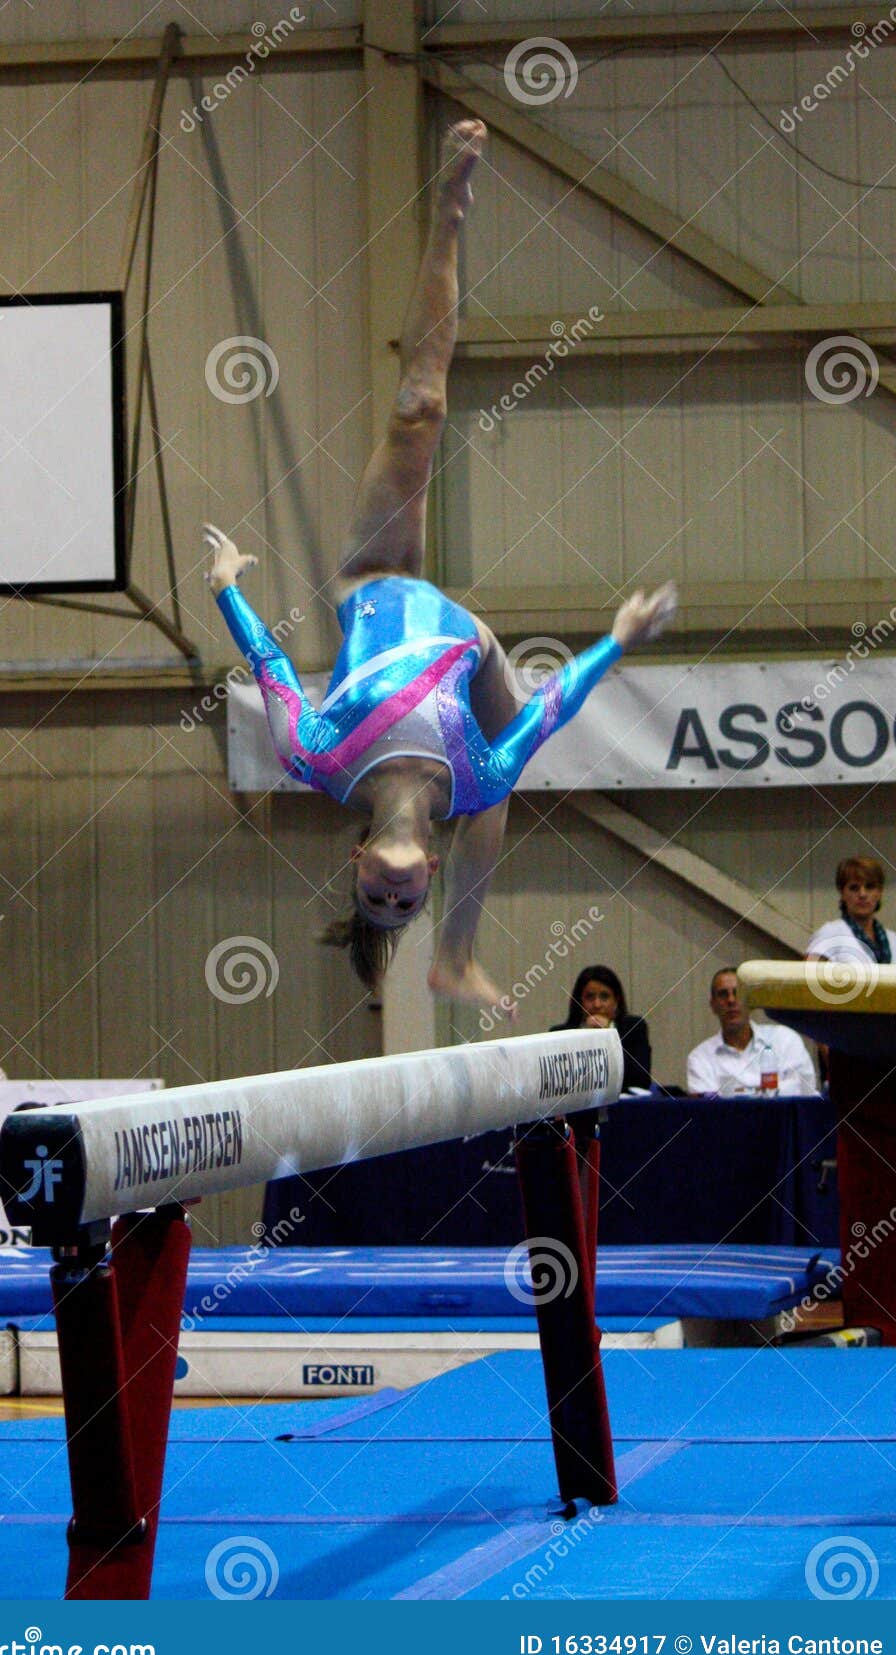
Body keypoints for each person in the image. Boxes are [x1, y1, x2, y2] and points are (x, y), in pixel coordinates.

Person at [206, 120, 675, 1013]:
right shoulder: (475, 778)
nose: (389, 895)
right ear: (427, 869)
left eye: (376, 900)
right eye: (405, 900)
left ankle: (449, 210)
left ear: (356, 863)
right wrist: (615, 639)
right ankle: (455, 952)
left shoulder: (317, 759)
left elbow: (269, 665)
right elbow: (551, 704)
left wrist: (228, 585)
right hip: (476, 652)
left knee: (419, 404)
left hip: (373, 578)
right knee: (499, 778)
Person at [687, 967, 816, 1097]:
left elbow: (805, 1091)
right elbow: (707, 1112)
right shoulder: (700, 1058)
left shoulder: (785, 1040)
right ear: (713, 1005)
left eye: (738, 992)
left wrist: (739, 1094)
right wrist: (768, 1092)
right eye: (723, 994)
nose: (731, 1000)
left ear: (751, 1001)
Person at [551, 964, 652, 1091]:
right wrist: (584, 1035)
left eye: (604, 997)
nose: (597, 1004)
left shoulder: (635, 1028)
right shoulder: (560, 1033)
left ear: (616, 1001)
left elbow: (641, 1078)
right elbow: (558, 1082)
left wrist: (608, 1036)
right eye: (590, 997)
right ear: (580, 1001)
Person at [806, 855, 896, 967]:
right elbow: (807, 979)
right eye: (854, 888)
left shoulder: (894, 941)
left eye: (870, 887)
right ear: (842, 892)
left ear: (879, 892)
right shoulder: (830, 933)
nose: (862, 894)